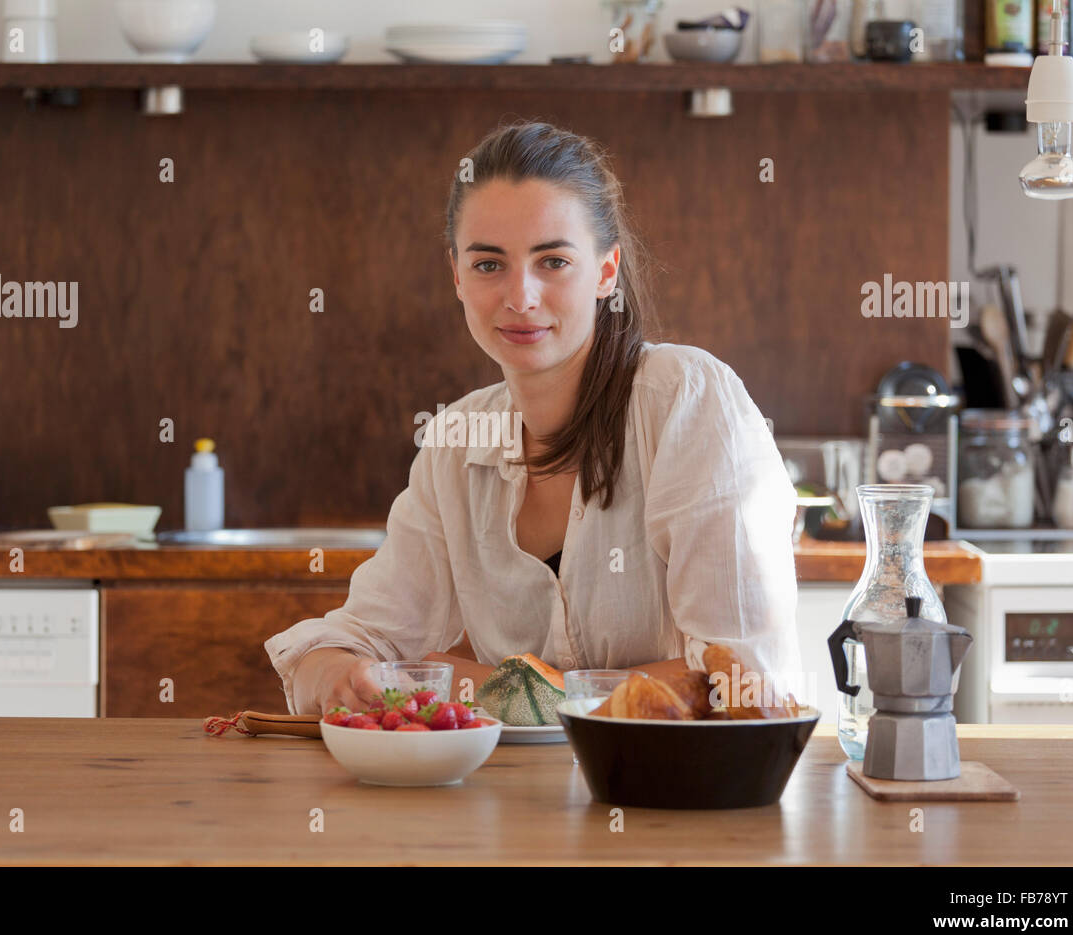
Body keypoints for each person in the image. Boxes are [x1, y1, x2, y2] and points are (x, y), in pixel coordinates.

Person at [265, 120, 801, 716]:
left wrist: (489, 685)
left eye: (552, 261)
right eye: (489, 265)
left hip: (679, 800)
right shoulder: (457, 439)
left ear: (605, 271)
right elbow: (363, 639)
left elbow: (741, 677)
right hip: (506, 805)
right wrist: (332, 669)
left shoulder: (687, 400)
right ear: (457, 276)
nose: (520, 297)